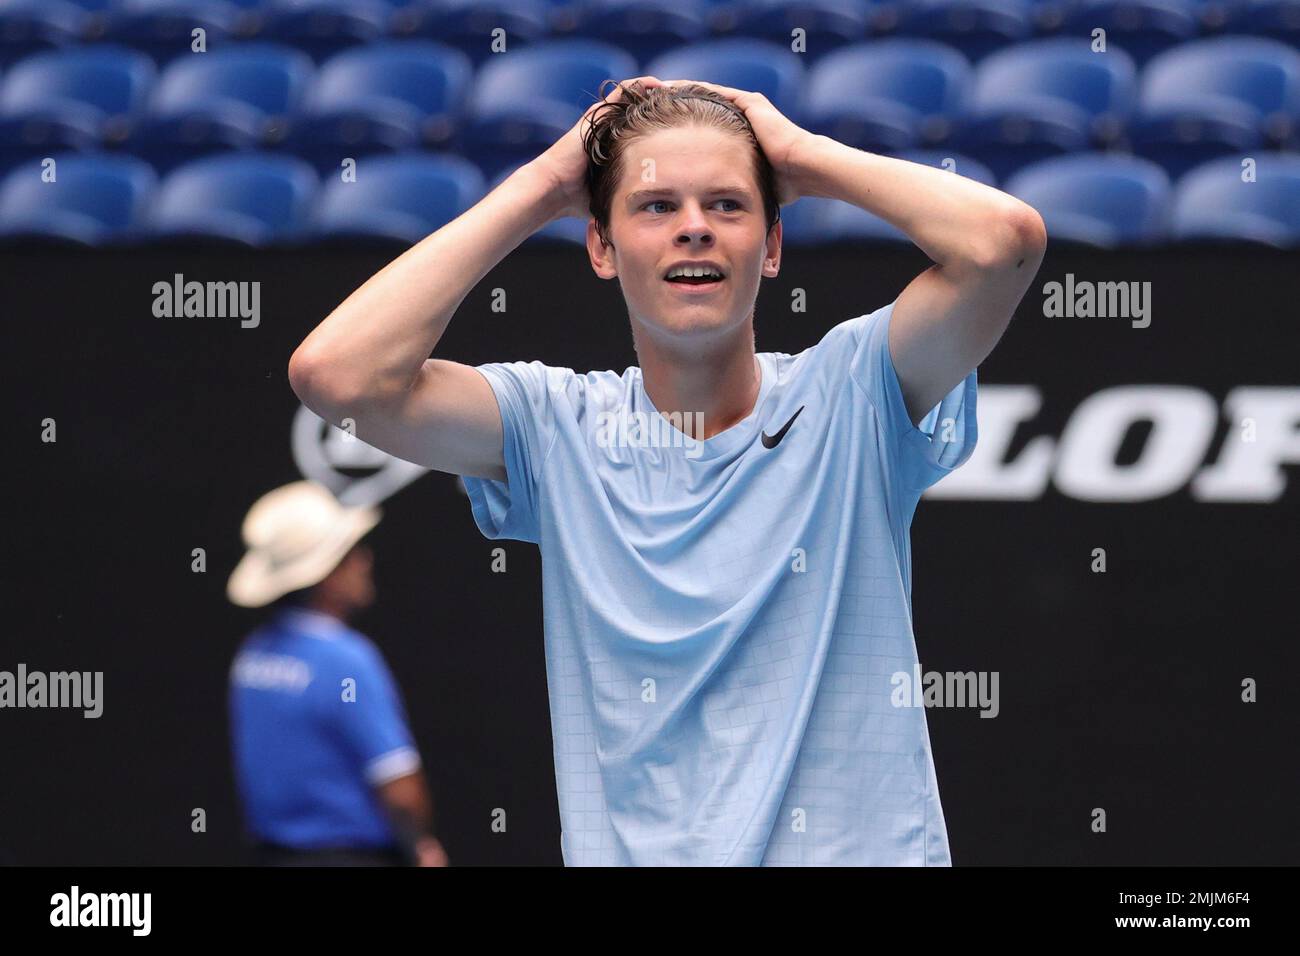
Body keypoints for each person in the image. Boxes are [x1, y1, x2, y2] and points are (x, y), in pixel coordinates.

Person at [287, 77, 1046, 865]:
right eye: (655, 206)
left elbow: (1005, 243)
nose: (694, 228)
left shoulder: (855, 391)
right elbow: (336, 376)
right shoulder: (556, 426)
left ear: (773, 246)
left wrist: (803, 155)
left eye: (727, 205)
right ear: (600, 247)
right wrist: (542, 186)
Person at [226, 480, 448, 866]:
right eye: (350, 553)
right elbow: (402, 795)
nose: (365, 560)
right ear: (326, 575)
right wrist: (420, 844)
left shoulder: (253, 654)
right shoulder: (346, 660)